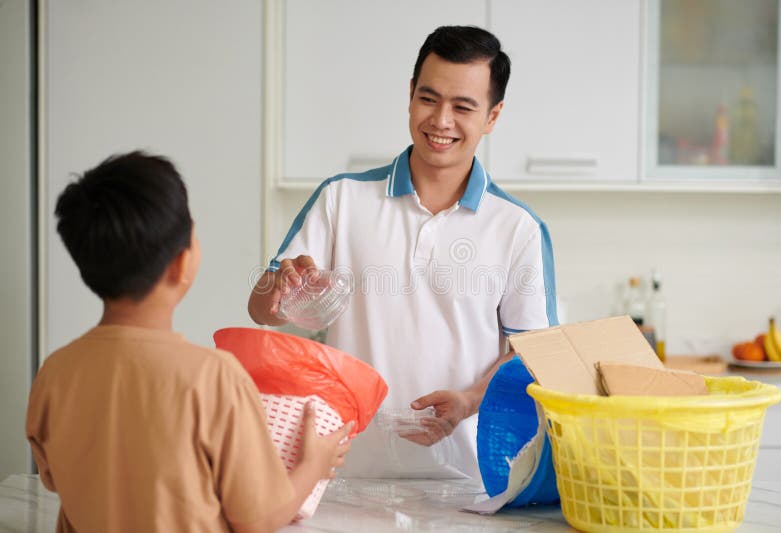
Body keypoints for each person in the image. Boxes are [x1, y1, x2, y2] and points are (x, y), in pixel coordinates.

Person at [249, 26, 557, 481]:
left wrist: (468, 402)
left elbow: (533, 354)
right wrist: (281, 285)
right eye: (429, 99)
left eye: (463, 107)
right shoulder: (342, 199)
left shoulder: (517, 228)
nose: (441, 121)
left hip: (466, 484)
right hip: (344, 475)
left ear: (492, 116)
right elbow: (260, 310)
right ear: (411, 94)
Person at [26, 152, 352, 533]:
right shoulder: (215, 378)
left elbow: (53, 478)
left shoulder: (55, 373)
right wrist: (314, 464)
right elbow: (258, 517)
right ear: (183, 263)